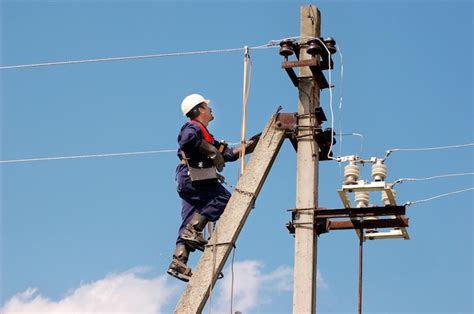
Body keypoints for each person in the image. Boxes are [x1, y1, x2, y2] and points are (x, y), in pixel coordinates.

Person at [167, 93, 260, 282]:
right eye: (207, 107)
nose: (210, 109)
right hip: (193, 176)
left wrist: (251, 146)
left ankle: (179, 261)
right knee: (223, 199)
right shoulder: (193, 127)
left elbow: (228, 154)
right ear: (200, 109)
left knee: (190, 218)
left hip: (188, 179)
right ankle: (193, 232)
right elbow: (186, 141)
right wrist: (209, 151)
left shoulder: (207, 135)